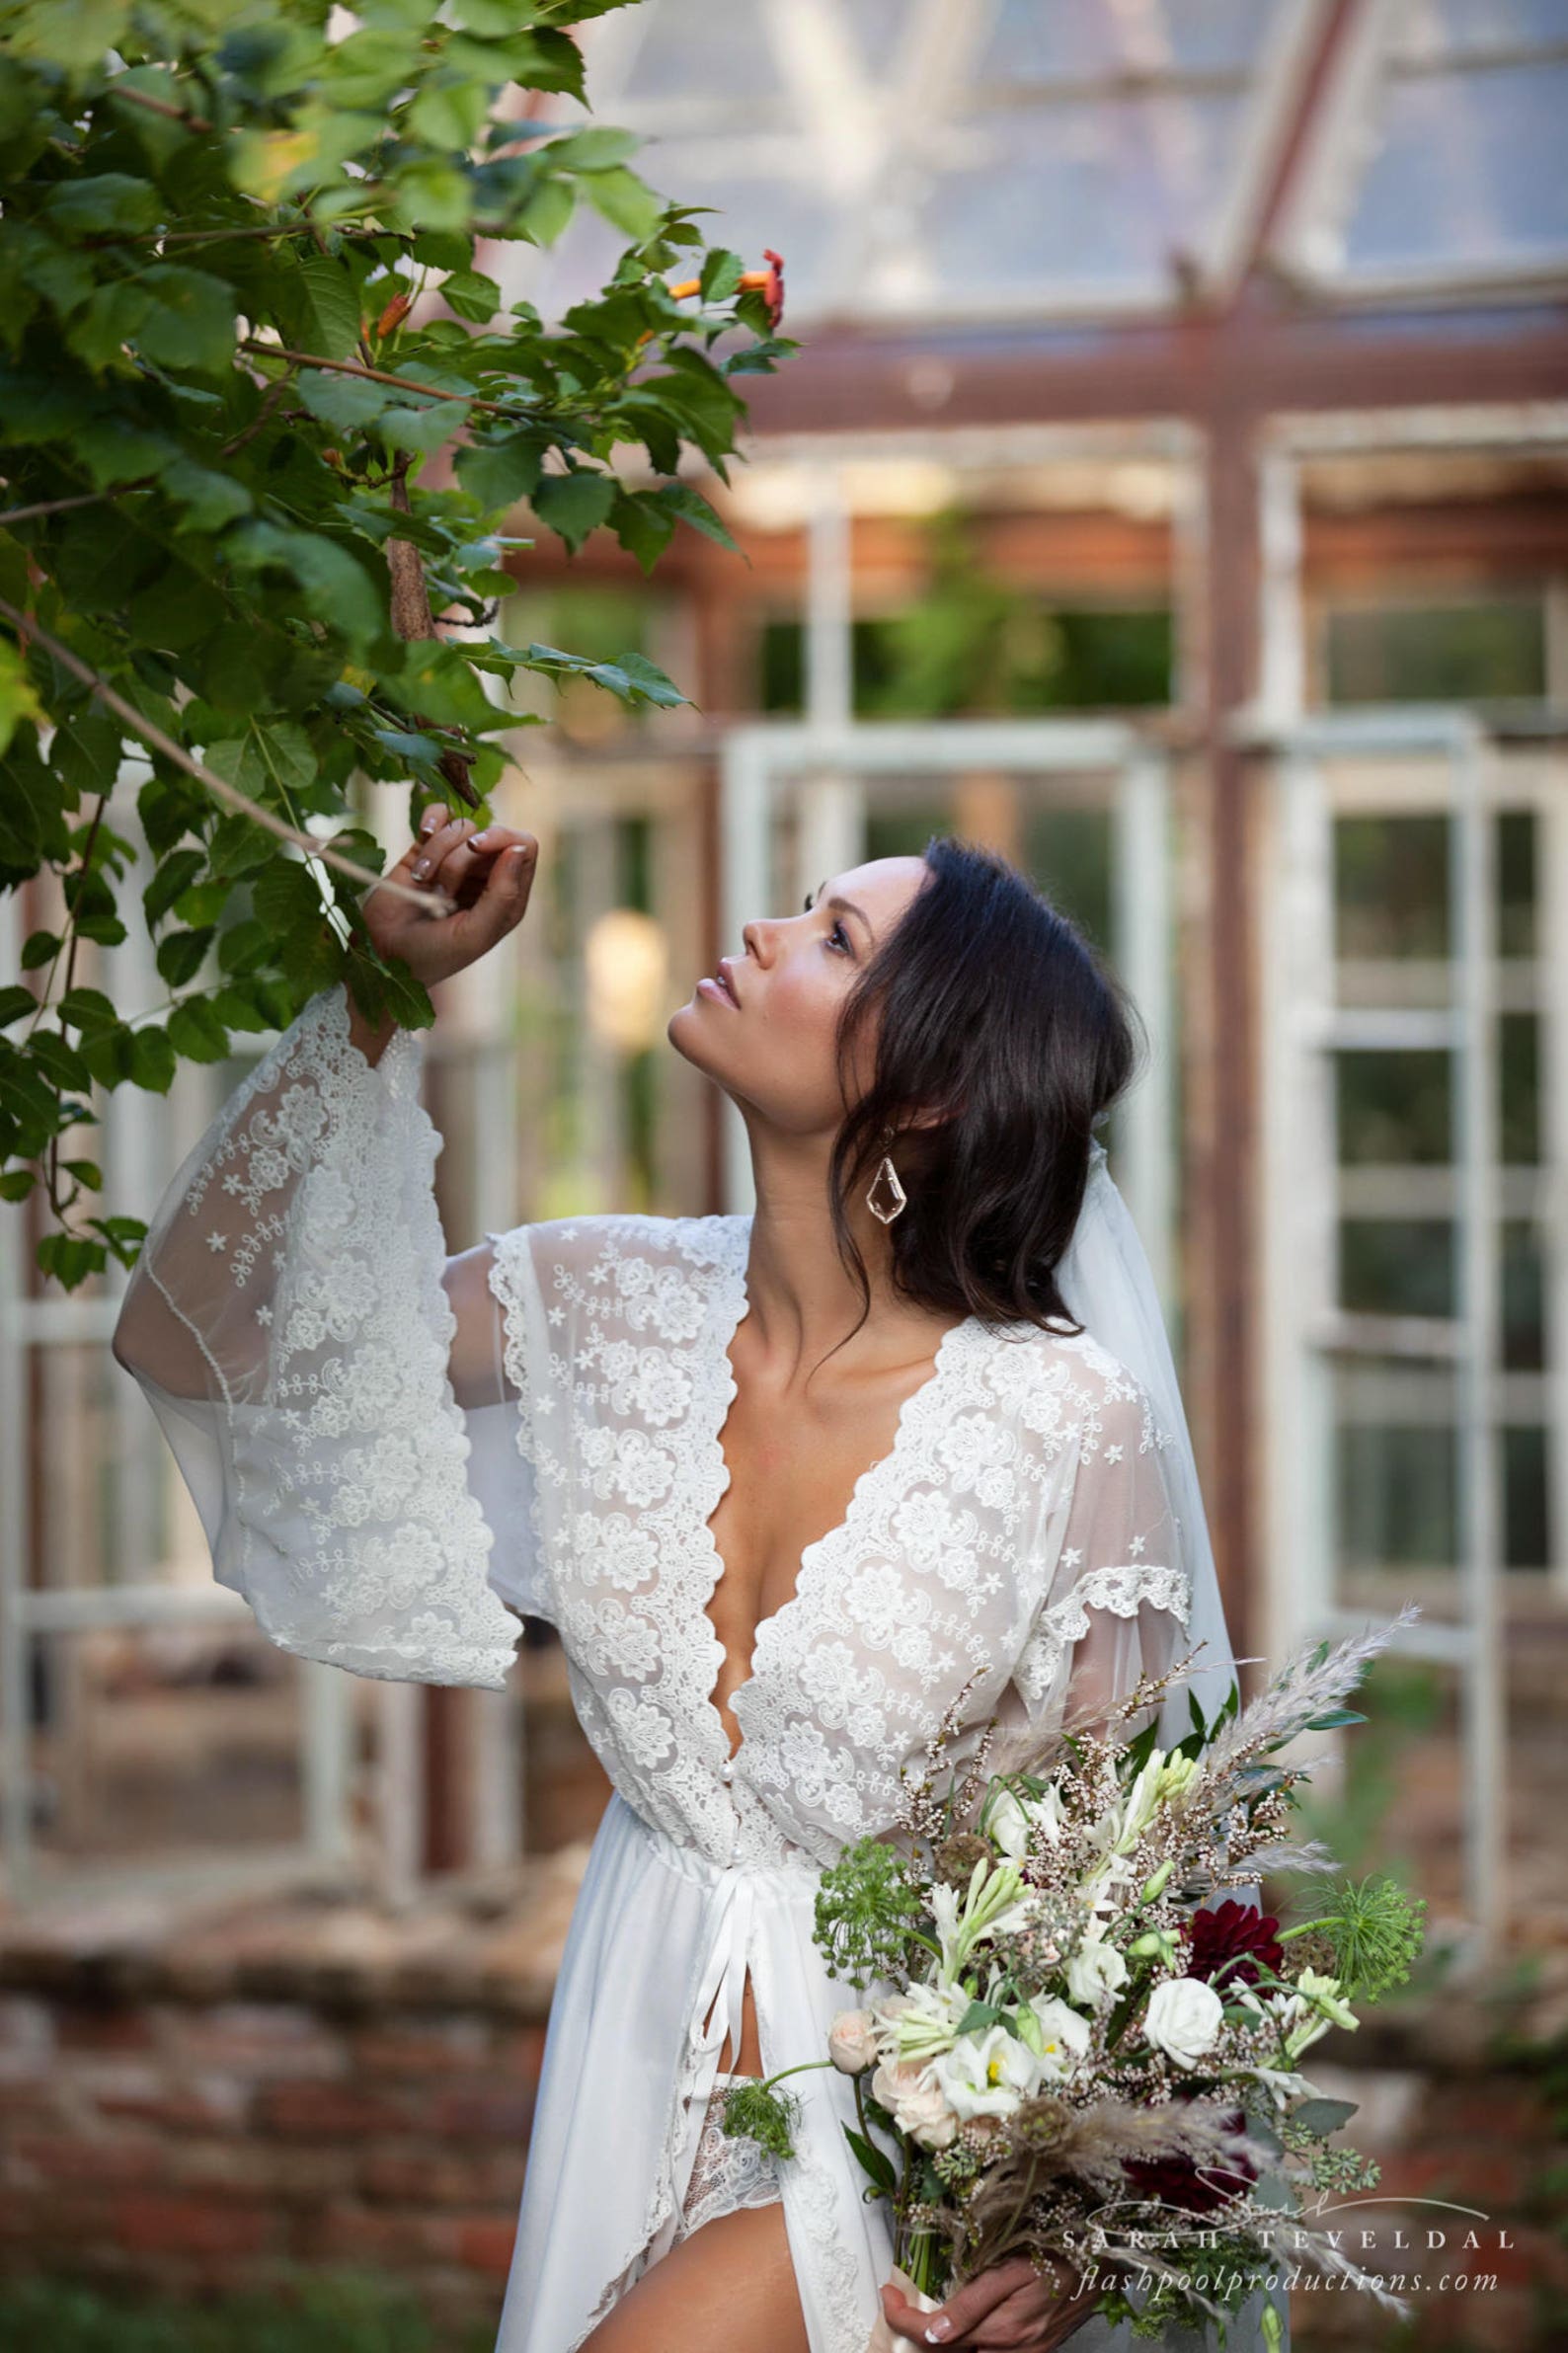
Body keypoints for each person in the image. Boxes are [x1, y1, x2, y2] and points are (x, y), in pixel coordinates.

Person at [111, 806, 1281, 2353]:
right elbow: (195, 1348)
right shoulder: (594, 1300)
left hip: (891, 2129)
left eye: (835, 937)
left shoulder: (1064, 1425)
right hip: (631, 2041)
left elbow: (1145, 1879)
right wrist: (377, 1002)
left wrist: (1077, 2224)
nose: (766, 933)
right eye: (805, 906)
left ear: (924, 1089)